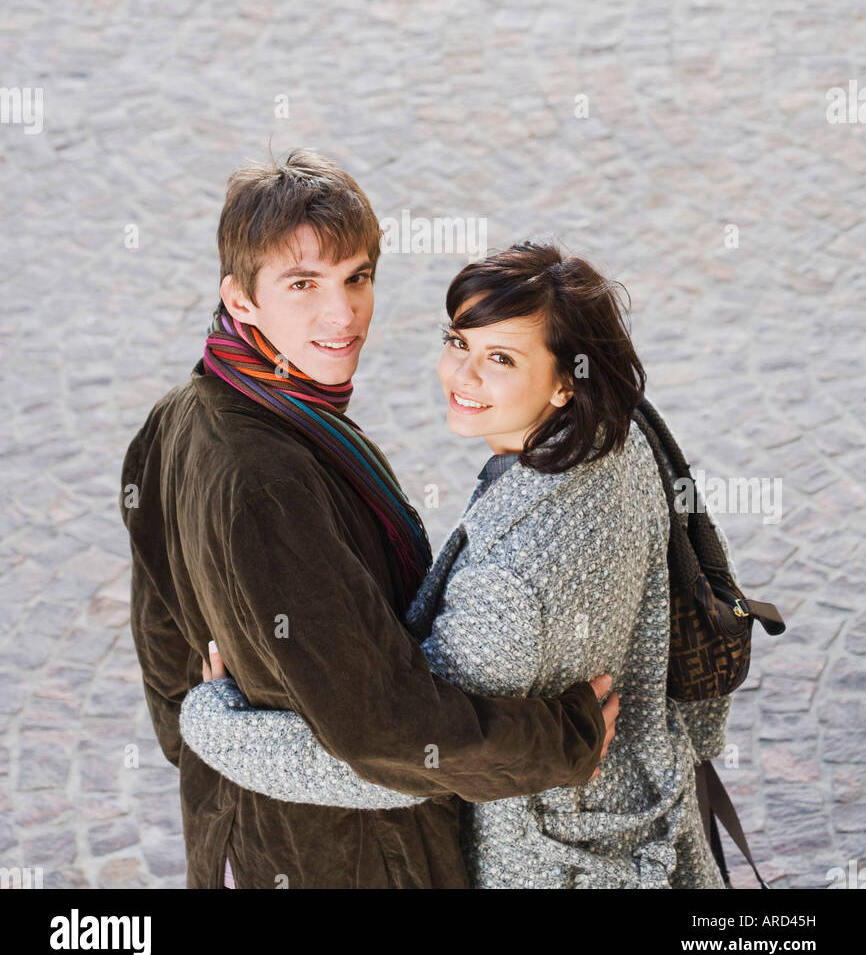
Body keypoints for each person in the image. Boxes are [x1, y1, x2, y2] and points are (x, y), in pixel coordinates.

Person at [120, 150, 618, 890]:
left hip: (244, 836)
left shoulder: (183, 416)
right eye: (303, 284)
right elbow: (384, 728)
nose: (343, 313)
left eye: (357, 277)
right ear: (241, 298)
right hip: (345, 859)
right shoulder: (266, 482)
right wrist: (565, 739)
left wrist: (213, 747)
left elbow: (166, 651)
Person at [180, 242, 734, 888]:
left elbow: (406, 758)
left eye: (500, 358)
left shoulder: (510, 591)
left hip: (551, 863)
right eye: (458, 342)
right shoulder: (624, 434)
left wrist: (213, 722)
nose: (461, 376)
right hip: (643, 805)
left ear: (565, 381)